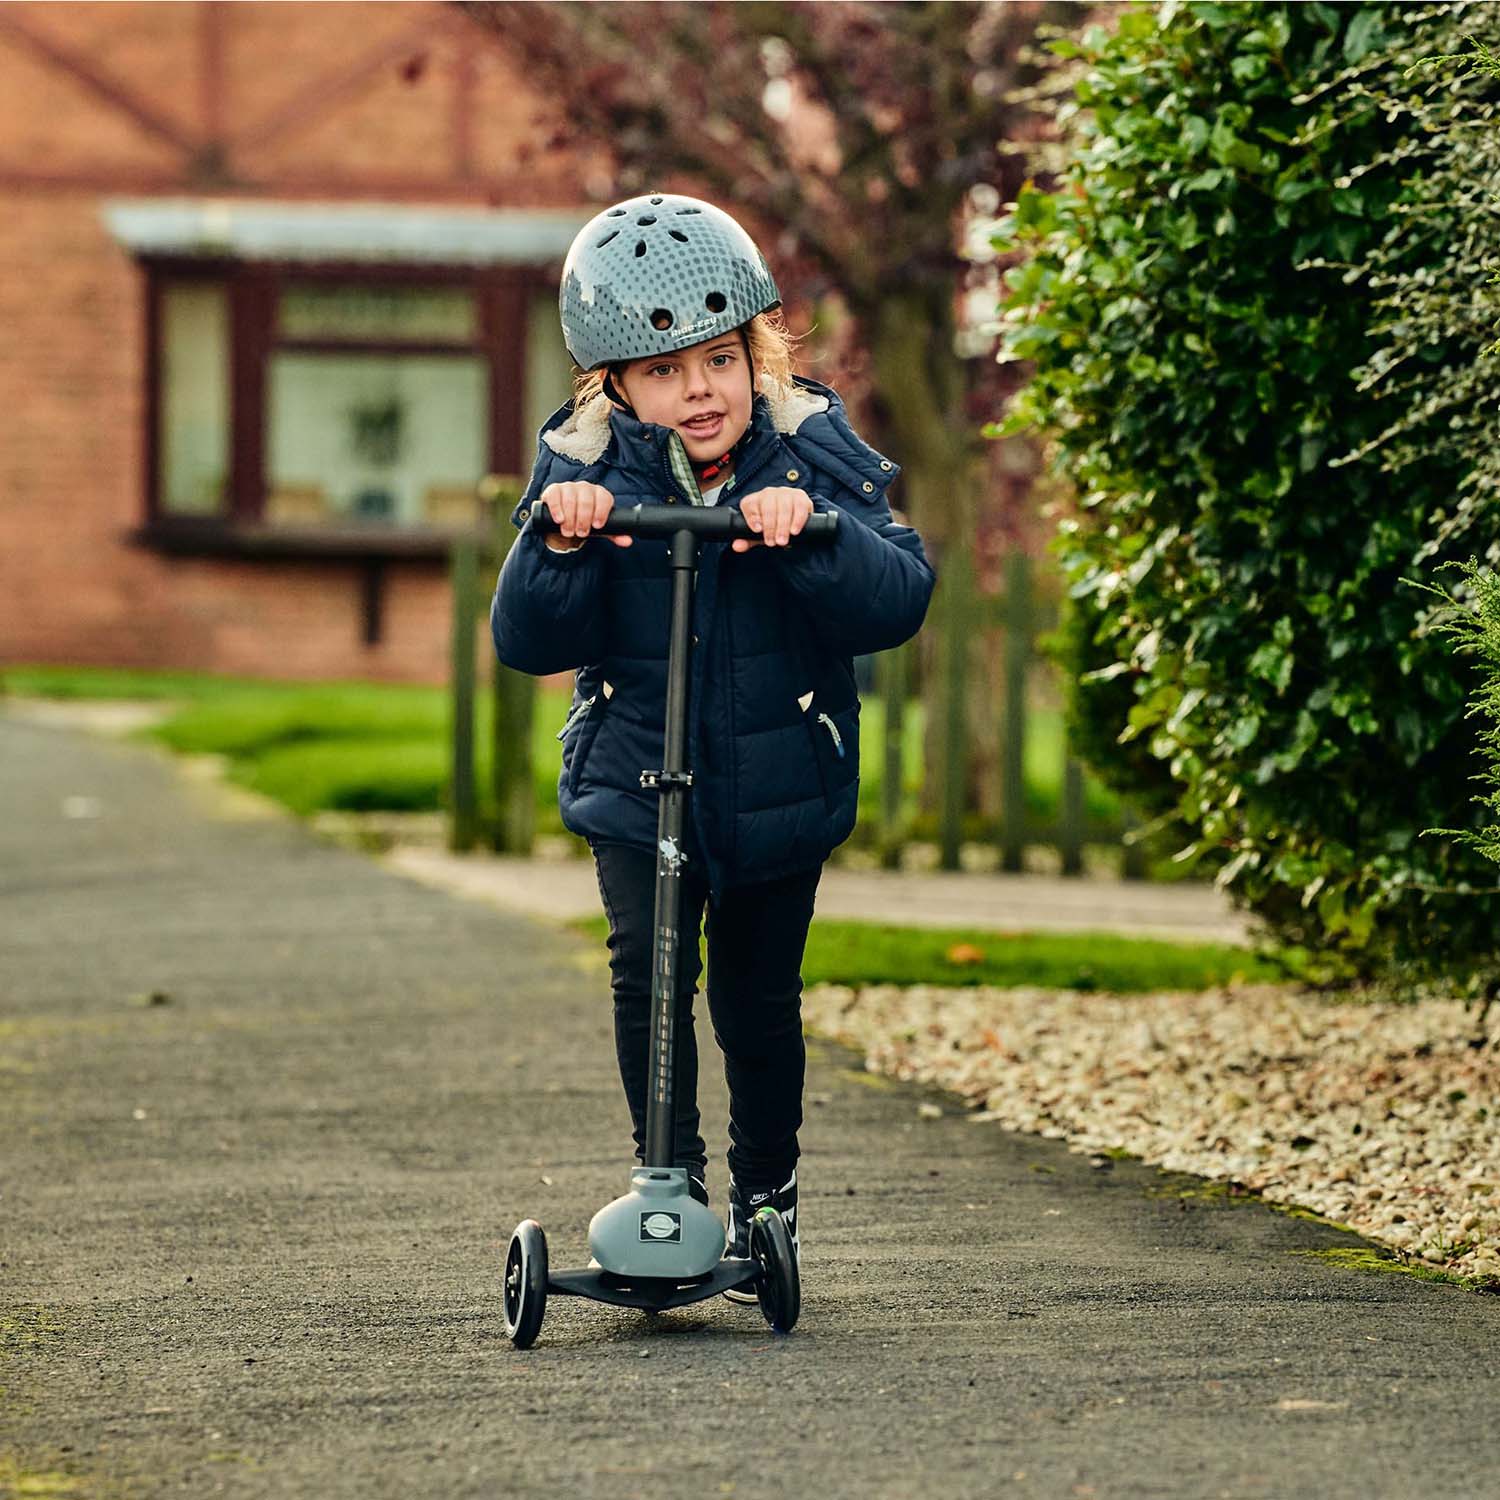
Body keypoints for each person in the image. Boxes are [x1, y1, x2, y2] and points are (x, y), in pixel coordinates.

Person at [491, 193, 934, 1299]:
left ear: (756, 353)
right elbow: (527, 639)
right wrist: (561, 543)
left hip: (778, 780)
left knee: (756, 997)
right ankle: (670, 1184)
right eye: (665, 371)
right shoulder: (590, 467)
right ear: (614, 386)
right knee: (647, 975)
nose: (700, 390)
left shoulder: (807, 449)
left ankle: (767, 1194)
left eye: (721, 360)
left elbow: (898, 596)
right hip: (638, 776)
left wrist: (807, 531)